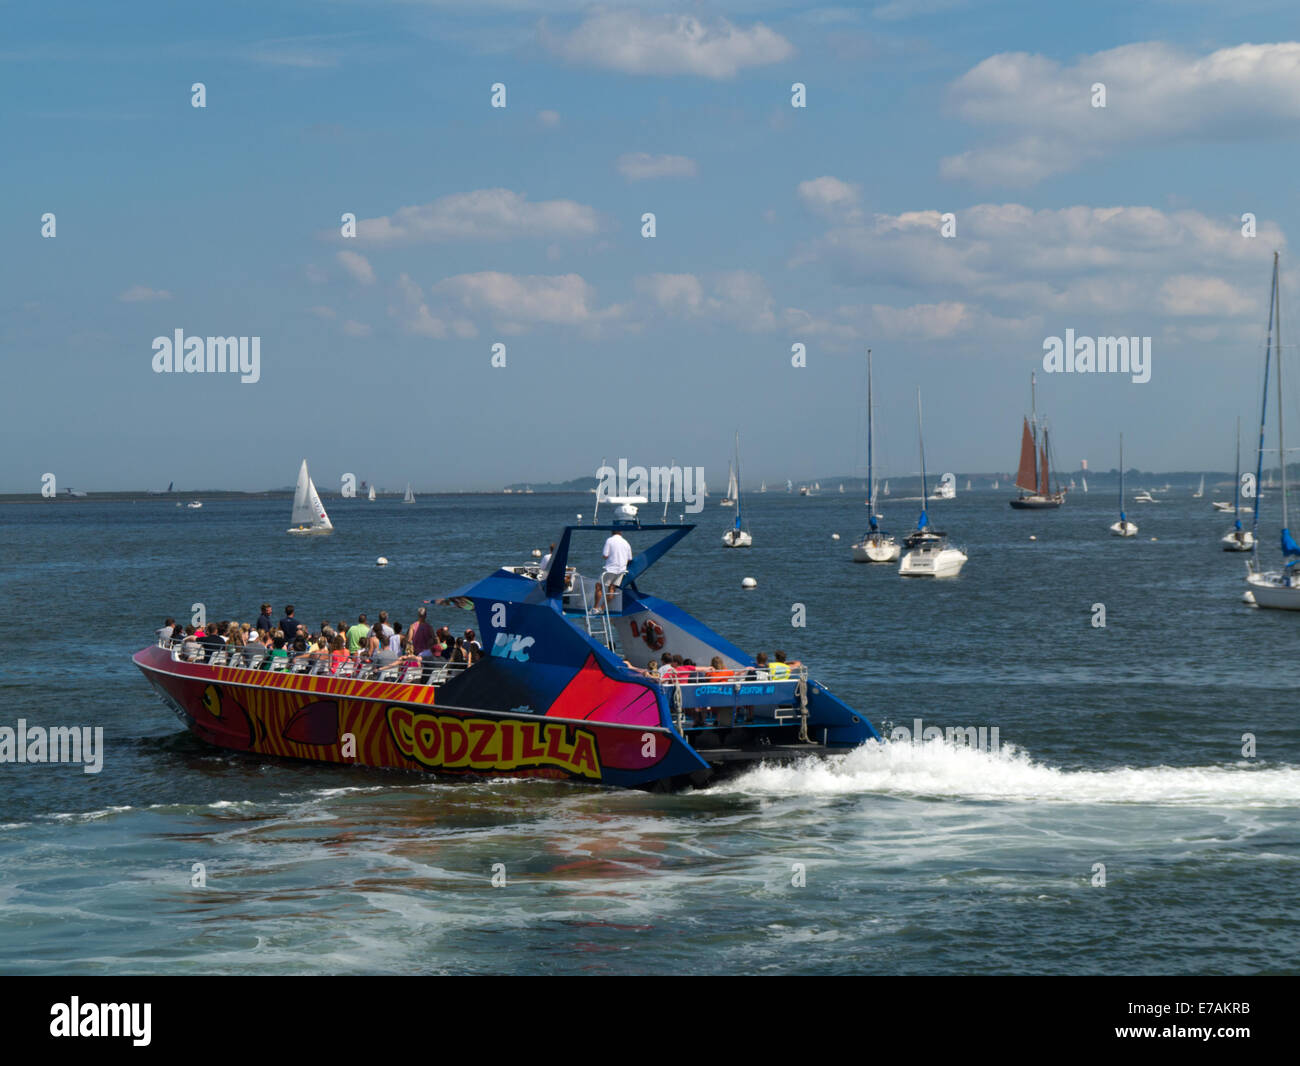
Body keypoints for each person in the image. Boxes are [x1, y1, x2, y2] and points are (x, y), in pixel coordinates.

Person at [592, 529, 632, 611]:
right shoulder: (626, 542)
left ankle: (595, 608)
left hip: (611, 569)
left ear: (612, 532)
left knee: (598, 586)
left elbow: (605, 555)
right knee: (612, 589)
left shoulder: (609, 540)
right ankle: (602, 608)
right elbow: (630, 559)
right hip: (621, 570)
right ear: (621, 532)